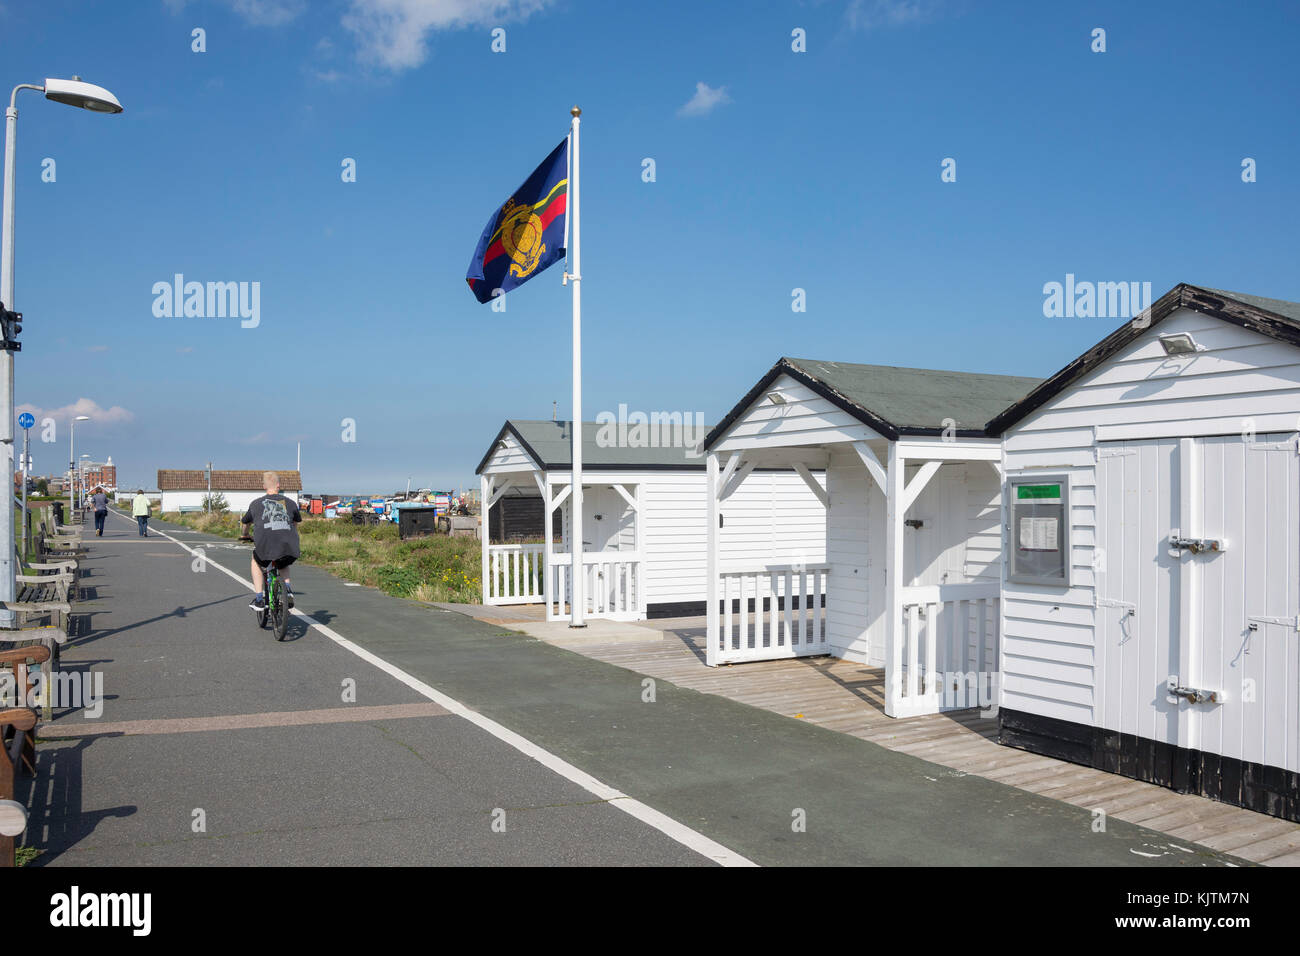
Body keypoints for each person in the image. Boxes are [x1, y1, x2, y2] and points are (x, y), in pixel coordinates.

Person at [240, 471, 302, 611]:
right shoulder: (291, 503)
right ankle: (287, 589)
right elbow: (295, 522)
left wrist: (245, 534)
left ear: (264, 486)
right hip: (289, 546)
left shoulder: (255, 504)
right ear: (278, 485)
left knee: (255, 561)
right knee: (283, 562)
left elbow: (246, 523)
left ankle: (259, 599)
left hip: (265, 545)